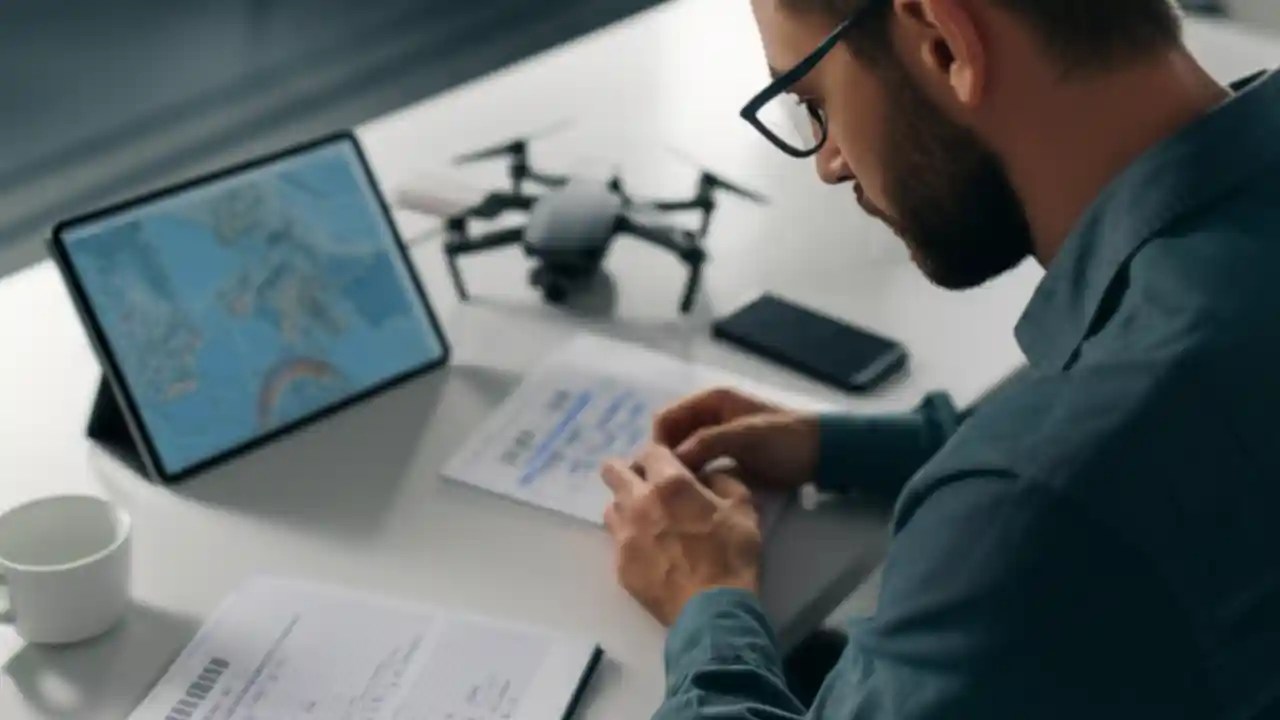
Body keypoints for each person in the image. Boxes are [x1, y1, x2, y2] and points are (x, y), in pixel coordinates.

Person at [599, 0, 1280, 717]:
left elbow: (1076, 479)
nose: (829, 164)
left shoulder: (1029, 512)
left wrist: (708, 601)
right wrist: (851, 447)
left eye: (814, 100)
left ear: (944, 40)